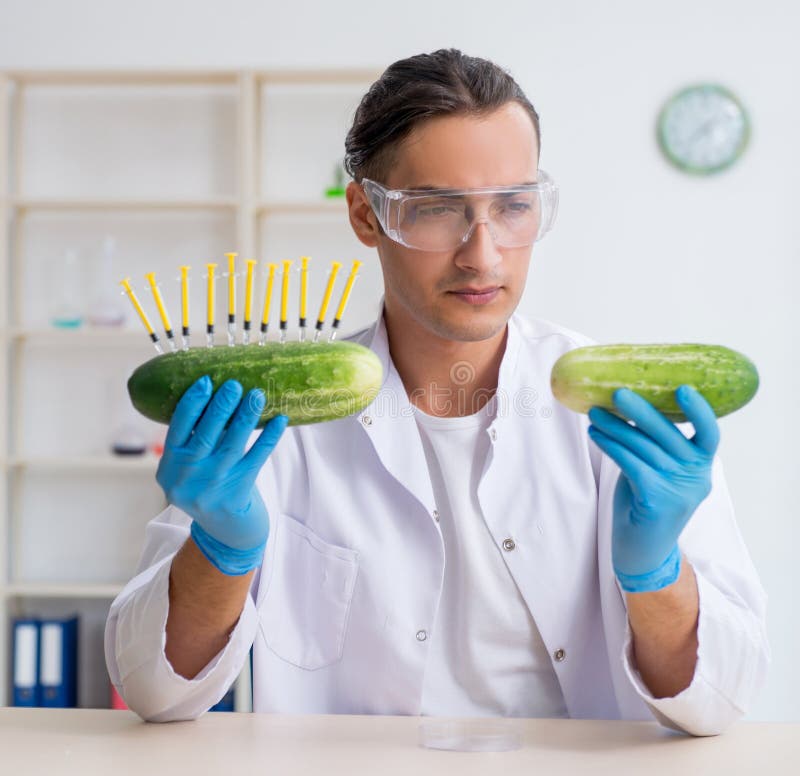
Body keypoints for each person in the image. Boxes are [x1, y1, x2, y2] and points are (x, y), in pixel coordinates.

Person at [105, 49, 768, 735]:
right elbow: (154, 691)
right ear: (365, 213)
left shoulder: (623, 410)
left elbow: (721, 703)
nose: (483, 254)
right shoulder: (273, 421)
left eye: (513, 206)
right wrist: (220, 553)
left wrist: (656, 574)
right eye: (436, 209)